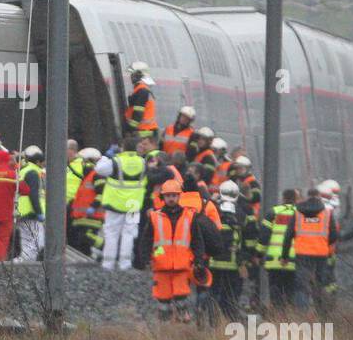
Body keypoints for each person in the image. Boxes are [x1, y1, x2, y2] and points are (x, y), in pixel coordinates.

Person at [147, 178, 223, 323]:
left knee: (175, 291)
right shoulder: (206, 204)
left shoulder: (175, 206)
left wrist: (148, 257)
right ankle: (200, 308)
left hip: (177, 258)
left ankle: (174, 319)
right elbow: (217, 228)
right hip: (200, 255)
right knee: (201, 285)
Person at [282, 186, 338, 316]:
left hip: (302, 253)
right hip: (321, 253)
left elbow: (288, 235)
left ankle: (301, 314)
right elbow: (334, 235)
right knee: (320, 283)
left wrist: (284, 256)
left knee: (302, 284)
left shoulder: (298, 212)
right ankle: (321, 314)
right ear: (319, 196)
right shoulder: (327, 213)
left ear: (307, 196)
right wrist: (325, 244)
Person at [96, 135, 148, 270]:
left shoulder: (115, 161)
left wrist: (105, 157)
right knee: (129, 233)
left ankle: (108, 263)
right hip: (134, 205)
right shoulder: (143, 162)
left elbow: (99, 169)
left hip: (115, 204)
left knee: (112, 233)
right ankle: (125, 264)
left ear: (123, 147)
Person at [210, 180, 247, 321]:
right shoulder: (242, 213)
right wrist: (244, 260)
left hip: (214, 262)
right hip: (233, 264)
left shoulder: (213, 210)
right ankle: (231, 321)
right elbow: (248, 240)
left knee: (213, 293)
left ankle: (212, 321)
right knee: (230, 295)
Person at [259, 189, 299, 309]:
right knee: (290, 292)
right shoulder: (300, 214)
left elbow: (263, 236)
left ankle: (277, 316)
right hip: (294, 260)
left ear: (283, 198)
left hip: (274, 261)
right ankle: (288, 319)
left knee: (275, 292)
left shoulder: (273, 213)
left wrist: (258, 254)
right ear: (296, 199)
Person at [69, 153, 106, 258]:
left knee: (87, 237)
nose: (85, 165)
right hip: (81, 217)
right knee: (82, 243)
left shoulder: (96, 175)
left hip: (92, 216)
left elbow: (101, 194)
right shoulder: (87, 178)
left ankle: (108, 249)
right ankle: (88, 261)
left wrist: (93, 207)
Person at [16, 145, 46, 261]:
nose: (44, 165)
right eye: (43, 162)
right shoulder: (33, 173)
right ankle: (21, 265)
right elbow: (33, 195)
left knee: (28, 243)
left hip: (22, 212)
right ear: (38, 162)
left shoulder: (24, 171)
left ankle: (21, 267)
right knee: (38, 243)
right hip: (31, 213)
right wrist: (39, 212)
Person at [122, 61, 159, 140]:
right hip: (146, 132)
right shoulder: (141, 89)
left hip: (144, 133)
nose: (131, 76)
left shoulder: (142, 90)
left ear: (139, 74)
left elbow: (138, 113)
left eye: (133, 74)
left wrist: (130, 129)